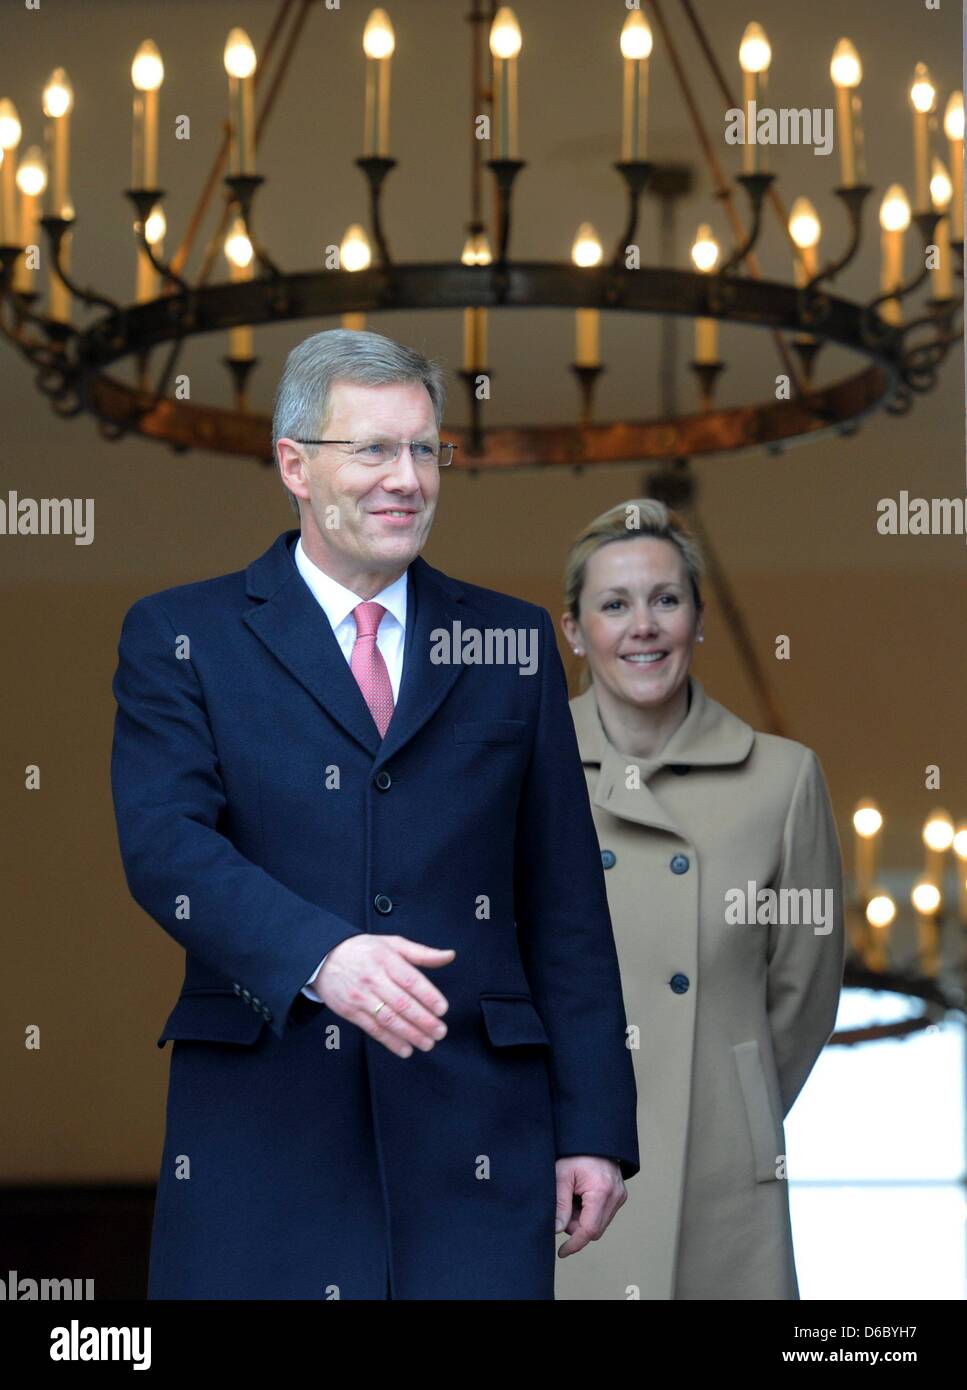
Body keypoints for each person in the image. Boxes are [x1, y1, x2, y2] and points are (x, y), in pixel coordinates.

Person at [109, 329, 639, 1300]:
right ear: (295, 465)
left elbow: (563, 901)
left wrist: (595, 1128)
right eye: (373, 449)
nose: (407, 477)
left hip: (477, 1140)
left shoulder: (510, 640)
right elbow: (166, 848)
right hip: (263, 1137)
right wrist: (321, 955)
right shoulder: (183, 635)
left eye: (425, 449)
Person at [554, 499, 845, 1300]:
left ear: (698, 618)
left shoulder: (783, 779)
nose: (641, 625)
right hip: (562, 1168)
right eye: (613, 604)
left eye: (665, 599)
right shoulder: (521, 767)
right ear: (575, 631)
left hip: (721, 1177)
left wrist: (727, 1102)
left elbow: (804, 992)